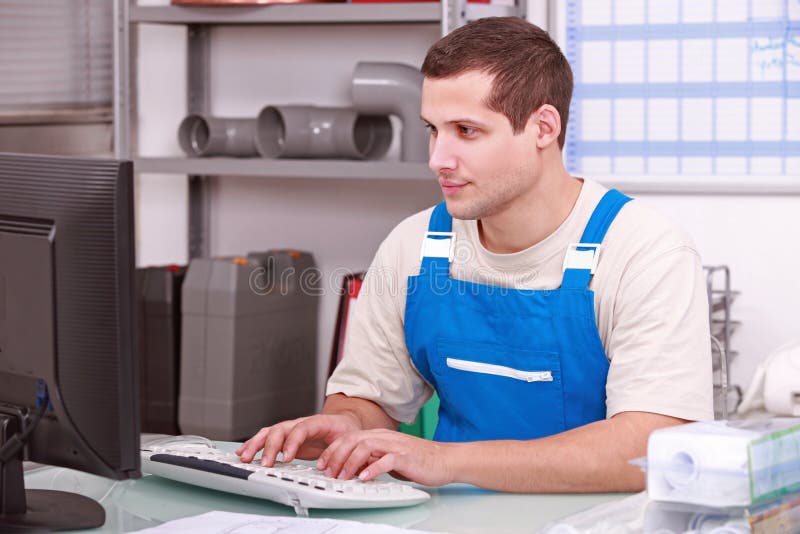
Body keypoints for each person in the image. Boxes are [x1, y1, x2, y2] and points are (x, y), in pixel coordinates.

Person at [237, 16, 713, 493]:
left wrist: (446, 460)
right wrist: (350, 424)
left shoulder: (644, 251)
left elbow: (651, 446)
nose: (437, 159)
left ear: (543, 127)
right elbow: (368, 398)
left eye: (466, 131)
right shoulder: (415, 244)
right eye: (433, 129)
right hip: (452, 515)